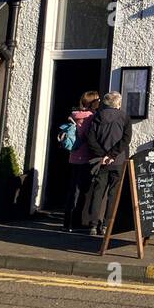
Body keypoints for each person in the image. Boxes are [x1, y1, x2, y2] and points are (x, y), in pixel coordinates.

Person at [86, 91, 133, 236]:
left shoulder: (97, 117)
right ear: (118, 103)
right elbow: (126, 139)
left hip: (101, 161)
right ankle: (107, 225)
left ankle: (93, 225)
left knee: (98, 192)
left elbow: (91, 139)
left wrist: (103, 155)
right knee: (113, 193)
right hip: (118, 161)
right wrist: (112, 155)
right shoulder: (125, 117)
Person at [61, 90, 100, 232]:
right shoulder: (92, 117)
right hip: (86, 157)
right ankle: (78, 222)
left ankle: (67, 222)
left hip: (73, 156)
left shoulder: (74, 115)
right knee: (84, 190)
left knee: (73, 189)